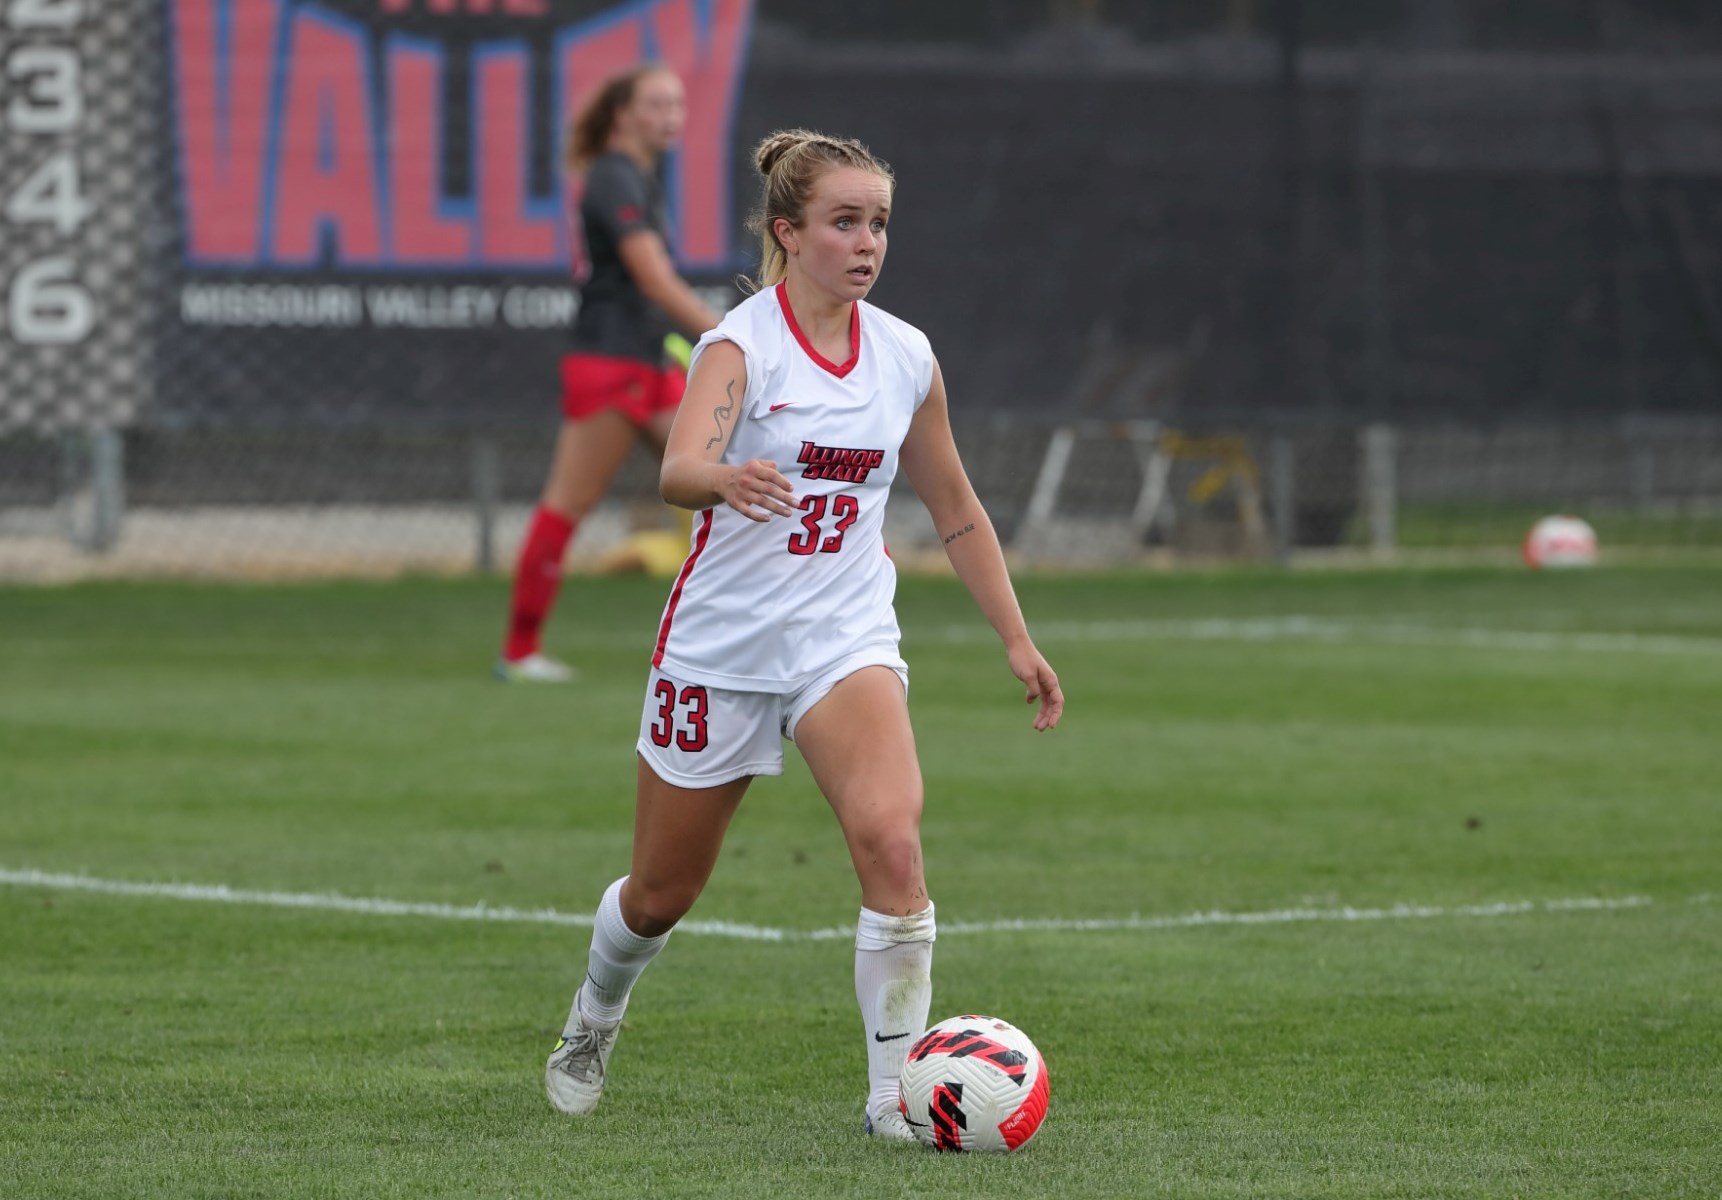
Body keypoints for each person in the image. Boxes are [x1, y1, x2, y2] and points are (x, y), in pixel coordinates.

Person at [543, 129, 1065, 1140]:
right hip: (723, 647)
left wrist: (1016, 638)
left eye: (879, 223)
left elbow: (955, 507)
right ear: (788, 232)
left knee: (893, 846)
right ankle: (597, 1011)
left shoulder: (905, 356)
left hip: (844, 637)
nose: (867, 243)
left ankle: (891, 1100)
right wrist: (723, 476)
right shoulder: (741, 346)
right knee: (659, 895)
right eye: (844, 222)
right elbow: (677, 469)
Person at [496, 64, 722, 682]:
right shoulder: (614, 175)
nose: (671, 116)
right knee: (567, 504)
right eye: (656, 104)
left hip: (648, 361)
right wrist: (730, 337)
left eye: (677, 104)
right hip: (611, 364)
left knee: (725, 484)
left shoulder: (636, 176)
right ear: (623, 114)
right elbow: (653, 280)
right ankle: (518, 653)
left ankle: (760, 630)